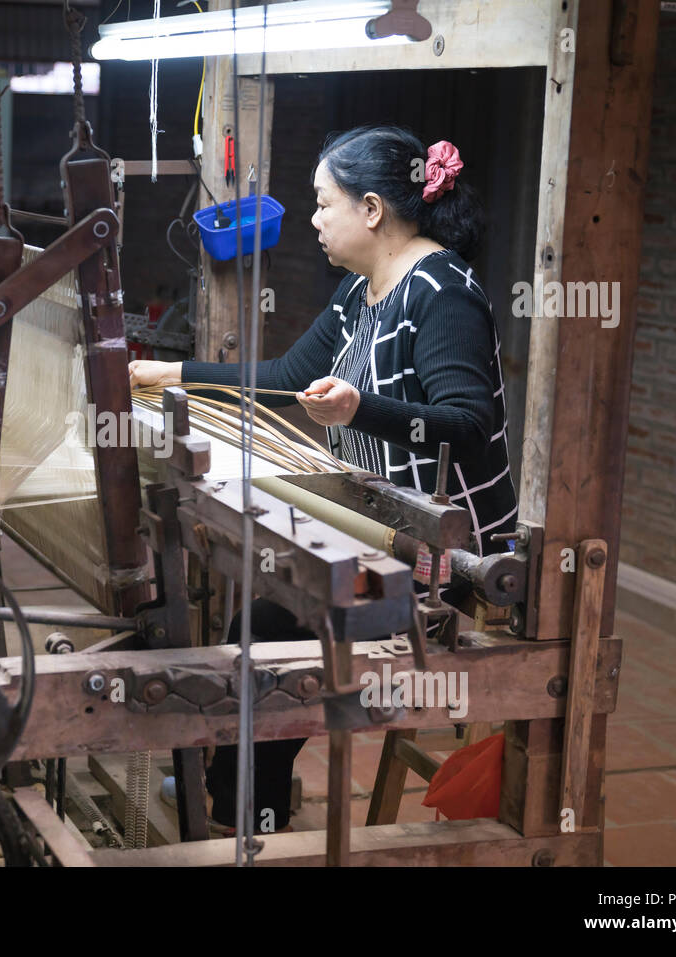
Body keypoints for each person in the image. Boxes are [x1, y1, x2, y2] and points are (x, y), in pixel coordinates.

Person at [130, 125, 518, 834]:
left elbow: (465, 421)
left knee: (275, 655)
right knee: (260, 630)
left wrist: (360, 407)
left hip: (445, 561)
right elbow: (283, 379)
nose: (312, 220)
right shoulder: (359, 291)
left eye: (322, 203)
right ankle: (239, 796)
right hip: (382, 531)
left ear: (372, 209)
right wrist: (169, 375)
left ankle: (251, 810)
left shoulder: (442, 292)